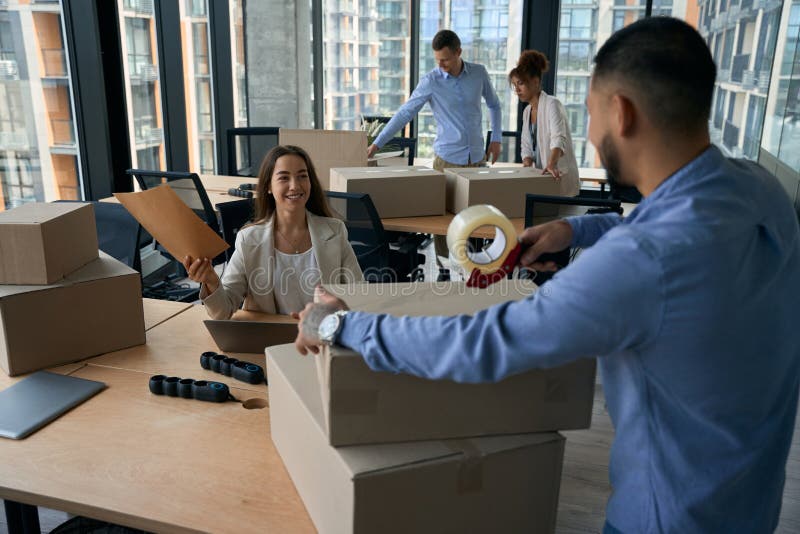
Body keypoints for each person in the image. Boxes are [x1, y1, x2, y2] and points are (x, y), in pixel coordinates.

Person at [295, 17, 800, 533]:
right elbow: (671, 224)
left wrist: (340, 325)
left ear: (621, 113)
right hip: (751, 506)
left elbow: (485, 344)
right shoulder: (759, 188)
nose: (593, 137)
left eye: (592, 115)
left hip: (665, 521)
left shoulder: (640, 262)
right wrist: (574, 230)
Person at [184, 145, 363, 318]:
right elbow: (222, 311)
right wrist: (211, 281)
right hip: (269, 336)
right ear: (268, 186)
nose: (295, 185)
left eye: (302, 176)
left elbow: (360, 294)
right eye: (284, 178)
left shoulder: (335, 231)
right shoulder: (249, 240)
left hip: (322, 333)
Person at [367, 29, 503, 169]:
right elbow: (405, 113)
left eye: (445, 60)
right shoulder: (430, 81)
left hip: (477, 158)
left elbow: (494, 105)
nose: (440, 65)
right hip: (447, 161)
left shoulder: (479, 73)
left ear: (458, 52)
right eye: (437, 60)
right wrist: (377, 144)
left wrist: (496, 138)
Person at [510, 50, 580, 197]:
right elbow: (526, 145)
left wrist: (551, 164)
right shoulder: (527, 111)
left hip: (558, 176)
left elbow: (558, 139)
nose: (517, 90)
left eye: (520, 83)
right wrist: (526, 164)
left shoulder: (552, 104)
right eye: (514, 85)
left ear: (535, 82)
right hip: (542, 178)